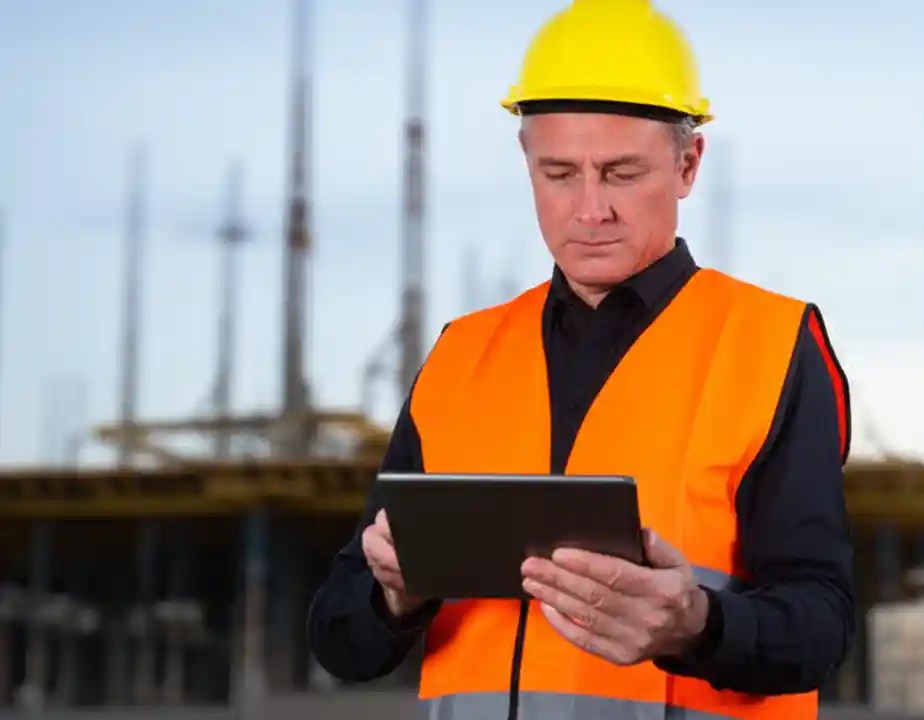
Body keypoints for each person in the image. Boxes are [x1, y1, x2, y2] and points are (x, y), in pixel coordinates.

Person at [306, 0, 856, 718]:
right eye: (560, 173)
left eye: (622, 173)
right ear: (526, 162)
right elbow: (339, 639)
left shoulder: (771, 343)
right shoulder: (461, 357)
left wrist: (699, 624)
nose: (590, 210)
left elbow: (822, 625)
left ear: (688, 164)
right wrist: (392, 597)